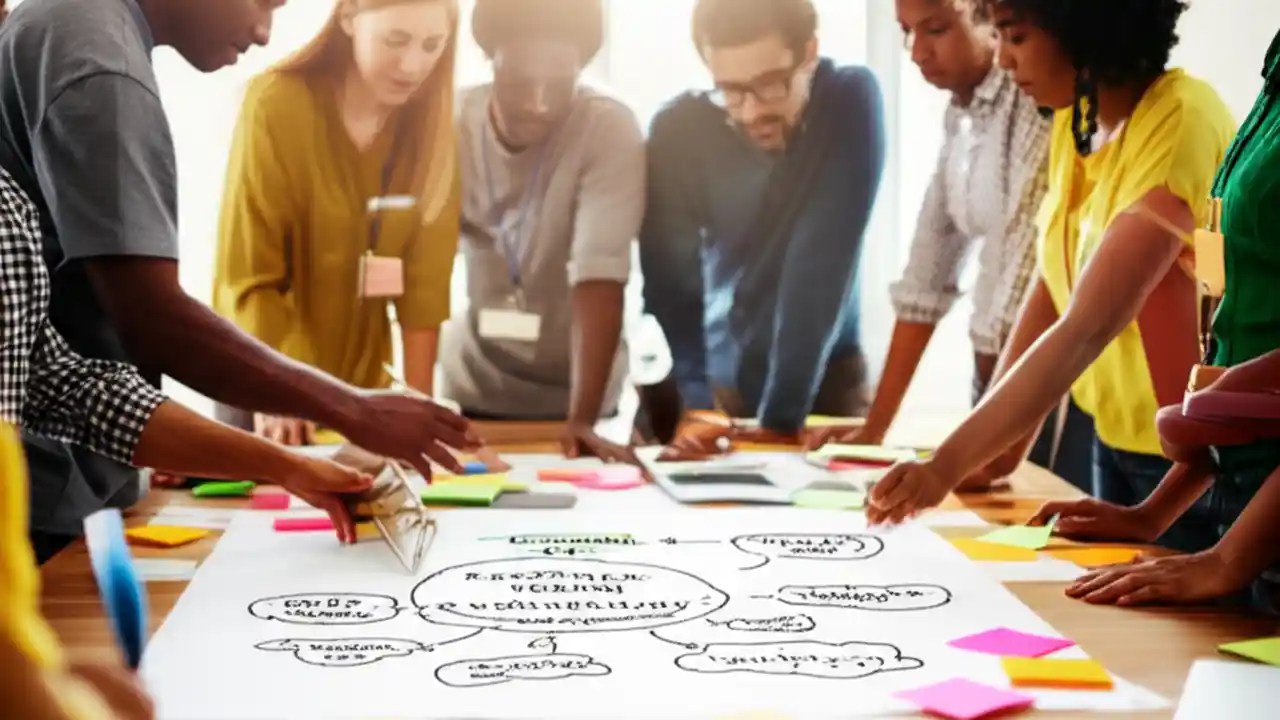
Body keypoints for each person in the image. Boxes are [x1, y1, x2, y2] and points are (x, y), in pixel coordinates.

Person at [0, 0, 477, 563]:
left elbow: (67, 384)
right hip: (39, 498)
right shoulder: (99, 61)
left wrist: (285, 462)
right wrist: (349, 410)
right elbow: (155, 321)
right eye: (263, 1)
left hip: (62, 484)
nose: (263, 31)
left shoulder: (79, 32)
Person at [867, 0, 1237, 555]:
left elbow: (1086, 325)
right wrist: (998, 452)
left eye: (1014, 38)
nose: (1003, 58)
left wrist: (944, 466)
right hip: (1119, 443)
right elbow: (1053, 282)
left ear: (1085, 31)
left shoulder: (1182, 118)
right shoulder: (1076, 119)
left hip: (1189, 472)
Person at [1028, 30, 1280, 611]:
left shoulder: (1184, 114)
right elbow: (1234, 332)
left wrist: (1226, 560)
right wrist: (1153, 514)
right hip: (1240, 509)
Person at [815, 0, 1073, 482]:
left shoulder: (1039, 100)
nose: (916, 52)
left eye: (935, 30)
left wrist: (985, 446)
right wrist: (875, 428)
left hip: (1045, 394)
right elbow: (925, 278)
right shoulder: (963, 112)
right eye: (905, 32)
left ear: (985, 18)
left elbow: (1025, 292)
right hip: (997, 388)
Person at [213, 0, 462, 445]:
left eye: (432, 45)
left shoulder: (432, 127)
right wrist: (282, 395)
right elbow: (250, 279)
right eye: (396, 39)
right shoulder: (275, 103)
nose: (413, 64)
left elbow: (425, 292)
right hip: (269, 389)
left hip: (365, 402)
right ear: (347, 18)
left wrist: (422, 417)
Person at [640, 0, 885, 442]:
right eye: (731, 91)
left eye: (771, 85)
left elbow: (819, 265)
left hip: (824, 382)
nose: (751, 112)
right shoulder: (679, 129)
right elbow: (671, 285)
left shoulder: (849, 101)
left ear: (808, 52)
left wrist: (778, 422)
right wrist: (697, 402)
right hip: (716, 381)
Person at [440, 0, 644, 462]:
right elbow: (419, 267)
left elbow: (601, 272)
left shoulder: (607, 127)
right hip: (474, 390)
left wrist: (582, 421)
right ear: (491, 62)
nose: (539, 103)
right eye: (518, 84)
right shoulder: (449, 124)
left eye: (559, 85)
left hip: (582, 399)